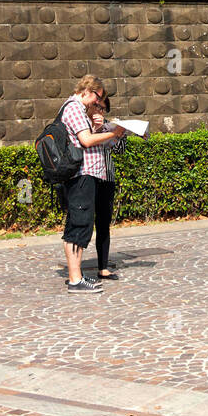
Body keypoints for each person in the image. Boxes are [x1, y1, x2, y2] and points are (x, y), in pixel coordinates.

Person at [59, 74, 127, 294]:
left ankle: (77, 275)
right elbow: (86, 141)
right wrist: (112, 132)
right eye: (97, 98)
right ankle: (74, 279)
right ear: (87, 91)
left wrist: (106, 131)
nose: (97, 103)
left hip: (88, 174)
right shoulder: (73, 108)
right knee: (78, 226)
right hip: (81, 174)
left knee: (82, 225)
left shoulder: (78, 109)